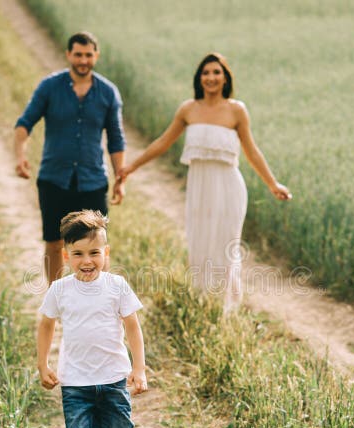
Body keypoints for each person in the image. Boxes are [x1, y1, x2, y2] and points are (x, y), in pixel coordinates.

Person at [116, 52, 291, 312]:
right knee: (200, 244)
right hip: (200, 187)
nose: (211, 78)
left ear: (225, 78)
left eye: (216, 73)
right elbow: (163, 142)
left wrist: (273, 184)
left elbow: (252, 152)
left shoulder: (236, 110)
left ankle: (225, 308)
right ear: (199, 78)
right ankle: (203, 303)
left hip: (229, 187)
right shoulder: (189, 109)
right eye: (206, 73)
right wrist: (131, 166)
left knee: (225, 245)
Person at [36, 210, 147, 428]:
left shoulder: (116, 286)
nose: (88, 261)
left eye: (95, 253)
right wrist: (43, 364)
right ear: (66, 255)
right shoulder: (60, 289)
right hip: (75, 382)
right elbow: (46, 325)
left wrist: (139, 369)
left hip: (113, 378)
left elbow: (133, 327)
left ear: (106, 254)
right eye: (79, 254)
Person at [15, 31, 127, 285]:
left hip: (92, 180)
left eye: (88, 55)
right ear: (68, 55)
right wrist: (20, 155)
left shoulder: (108, 93)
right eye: (78, 54)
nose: (83, 60)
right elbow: (25, 123)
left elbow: (116, 139)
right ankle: (55, 299)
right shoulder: (49, 87)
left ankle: (98, 299)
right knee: (54, 243)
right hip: (54, 179)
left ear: (95, 56)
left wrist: (120, 177)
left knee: (96, 245)